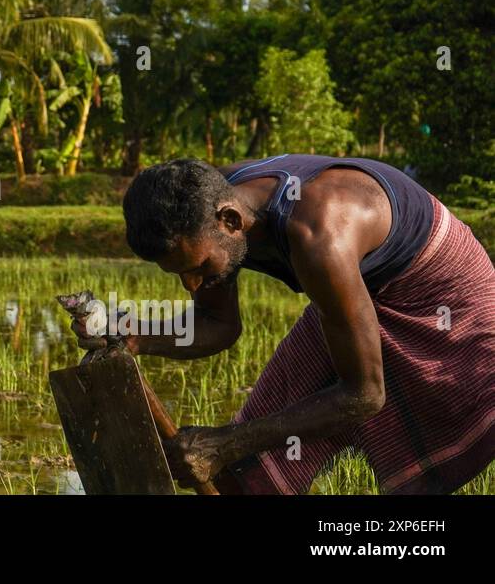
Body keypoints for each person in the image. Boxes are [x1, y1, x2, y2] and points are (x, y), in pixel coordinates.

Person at [92, 155, 495, 494]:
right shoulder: (213, 205)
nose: (192, 284)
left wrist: (223, 443)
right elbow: (218, 324)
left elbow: (364, 395)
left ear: (230, 221)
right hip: (361, 291)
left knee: (236, 451)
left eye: (198, 267)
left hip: (442, 298)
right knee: (241, 478)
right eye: (178, 274)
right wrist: (135, 336)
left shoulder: (319, 235)